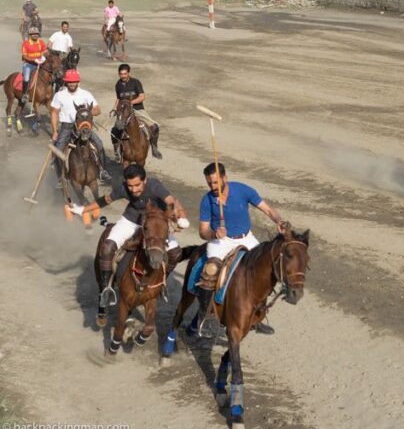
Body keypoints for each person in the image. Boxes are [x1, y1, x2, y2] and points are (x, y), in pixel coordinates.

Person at [69, 164, 189, 301]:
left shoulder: (155, 186)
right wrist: (83, 210)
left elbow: (172, 202)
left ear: (144, 180)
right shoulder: (124, 188)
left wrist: (181, 217)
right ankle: (106, 288)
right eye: (130, 186)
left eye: (137, 185)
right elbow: (106, 200)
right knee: (108, 246)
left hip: (155, 224)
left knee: (175, 254)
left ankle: (162, 280)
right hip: (131, 221)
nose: (133, 190)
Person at [196, 162, 285, 335]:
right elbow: (203, 231)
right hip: (221, 243)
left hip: (246, 238)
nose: (213, 187)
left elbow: (267, 210)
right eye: (209, 183)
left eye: (215, 182)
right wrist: (214, 234)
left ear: (225, 178)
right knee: (210, 271)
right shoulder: (207, 200)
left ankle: (258, 316)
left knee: (264, 271)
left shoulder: (243, 190)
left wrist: (279, 221)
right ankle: (204, 317)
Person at [50, 69, 112, 183]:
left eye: (74, 81)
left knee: (99, 144)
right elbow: (54, 112)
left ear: (78, 81)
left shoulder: (86, 94)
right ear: (66, 82)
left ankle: (103, 170)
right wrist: (54, 131)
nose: (72, 84)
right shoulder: (59, 95)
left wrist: (85, 114)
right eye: (69, 81)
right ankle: (61, 177)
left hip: (84, 126)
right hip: (67, 126)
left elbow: (97, 110)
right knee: (58, 149)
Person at [110, 64, 163, 159]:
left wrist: (130, 103)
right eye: (121, 74)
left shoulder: (136, 82)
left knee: (155, 127)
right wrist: (114, 108)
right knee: (115, 130)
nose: (123, 76)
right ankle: (117, 151)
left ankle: (154, 148)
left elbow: (142, 97)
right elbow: (118, 99)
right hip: (123, 111)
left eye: (125, 74)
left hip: (137, 109)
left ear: (129, 73)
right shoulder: (118, 84)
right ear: (119, 74)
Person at [20, 27, 47, 105]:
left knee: (48, 74)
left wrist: (43, 57)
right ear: (30, 35)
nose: (35, 35)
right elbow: (24, 56)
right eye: (33, 34)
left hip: (40, 64)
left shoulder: (41, 42)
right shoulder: (26, 43)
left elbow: (45, 52)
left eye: (36, 34)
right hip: (29, 64)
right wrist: (33, 60)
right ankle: (25, 94)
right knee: (26, 78)